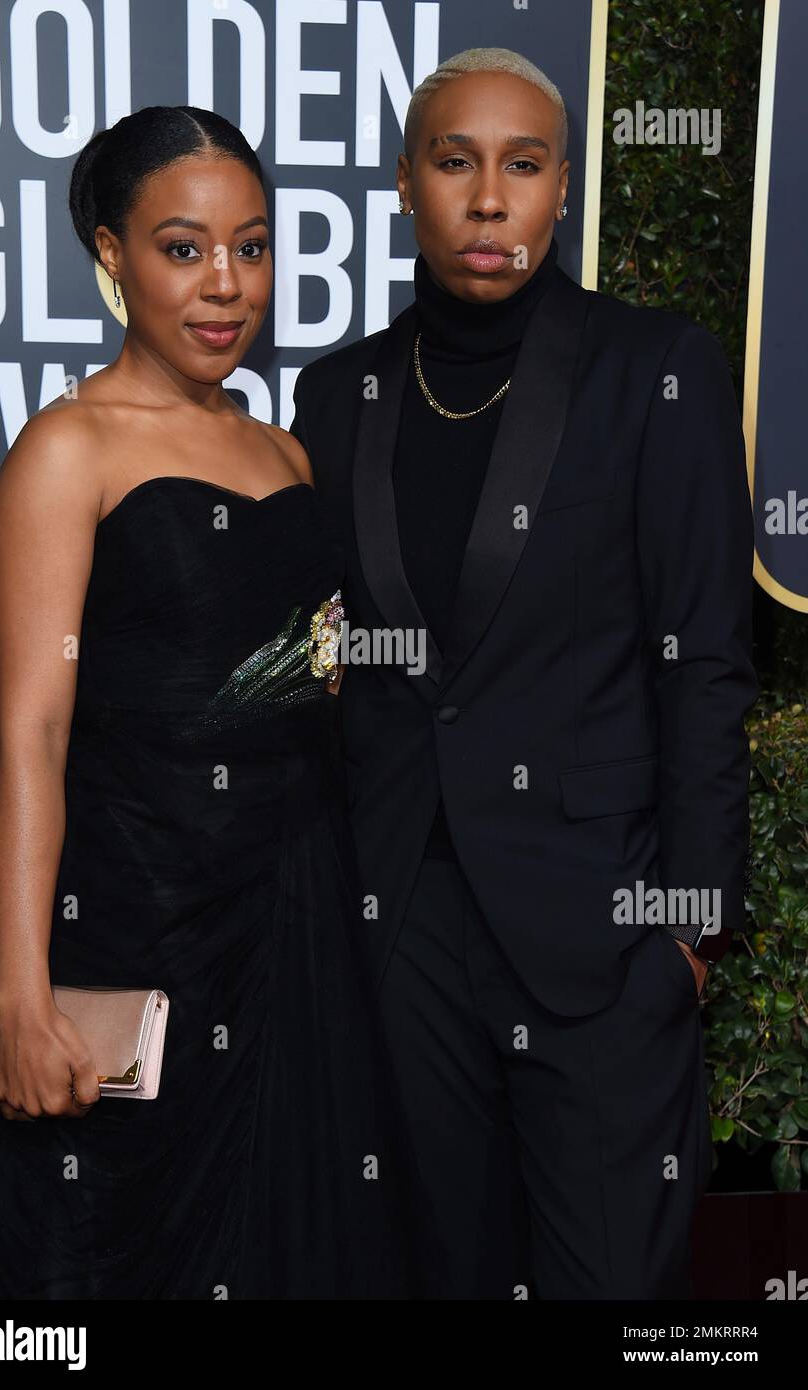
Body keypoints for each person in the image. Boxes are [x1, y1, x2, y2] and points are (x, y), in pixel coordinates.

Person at [289, 48, 759, 1299]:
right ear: (404, 184)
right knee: (440, 1270)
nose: (487, 198)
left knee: (608, 1281)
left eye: (522, 164)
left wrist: (692, 928)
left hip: (600, 926)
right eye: (455, 162)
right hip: (404, 925)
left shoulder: (655, 370)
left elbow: (707, 656)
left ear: (561, 190)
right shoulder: (338, 395)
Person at [0, 104, 426, 1300]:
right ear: (111, 255)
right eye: (183, 248)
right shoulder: (68, 449)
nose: (227, 285)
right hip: (129, 922)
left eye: (252, 247)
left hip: (295, 924)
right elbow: (35, 733)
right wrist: (21, 989)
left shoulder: (288, 455)